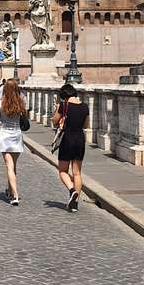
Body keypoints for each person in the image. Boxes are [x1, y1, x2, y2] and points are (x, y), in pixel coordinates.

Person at [52, 83, 89, 212]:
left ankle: (72, 190)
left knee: (62, 171)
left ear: (63, 96)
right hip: (80, 139)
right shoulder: (85, 107)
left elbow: (54, 121)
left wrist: (57, 110)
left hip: (67, 139)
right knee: (77, 173)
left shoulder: (64, 106)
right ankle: (75, 204)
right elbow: (85, 125)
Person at [0, 79, 26, 205]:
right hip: (17, 135)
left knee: (9, 166)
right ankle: (10, 191)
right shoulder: (21, 102)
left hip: (5, 135)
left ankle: (15, 195)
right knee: (13, 167)